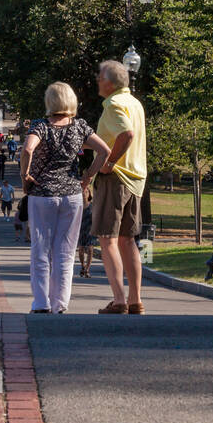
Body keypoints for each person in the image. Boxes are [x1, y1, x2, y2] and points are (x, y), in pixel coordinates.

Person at [21, 81, 110, 314]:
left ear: (50, 101)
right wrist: (88, 175)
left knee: (41, 249)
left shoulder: (40, 126)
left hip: (43, 194)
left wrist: (25, 175)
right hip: (72, 194)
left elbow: (28, 149)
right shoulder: (80, 126)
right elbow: (104, 151)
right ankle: (60, 304)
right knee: (66, 251)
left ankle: (41, 303)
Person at [90, 60, 148, 315]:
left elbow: (126, 134)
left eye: (100, 77)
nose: (97, 81)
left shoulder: (113, 104)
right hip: (136, 179)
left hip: (116, 178)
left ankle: (119, 300)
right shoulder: (135, 103)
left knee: (107, 239)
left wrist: (110, 162)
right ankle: (135, 300)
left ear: (109, 82)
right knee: (128, 240)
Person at [77, 192, 94, 278]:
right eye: (83, 192)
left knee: (90, 250)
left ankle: (87, 269)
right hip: (80, 230)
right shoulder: (78, 205)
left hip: (90, 230)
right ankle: (82, 265)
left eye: (86, 192)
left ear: (89, 194)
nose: (84, 194)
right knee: (81, 250)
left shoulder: (92, 206)